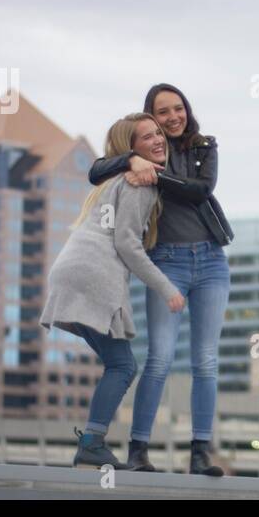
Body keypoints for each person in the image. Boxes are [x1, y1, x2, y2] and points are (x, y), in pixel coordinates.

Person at [88, 83, 231, 476]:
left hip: (211, 262)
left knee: (205, 361)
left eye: (178, 108)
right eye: (162, 112)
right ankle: (138, 452)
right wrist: (131, 161)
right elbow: (94, 170)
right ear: (151, 117)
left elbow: (200, 191)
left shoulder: (203, 146)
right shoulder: (143, 152)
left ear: (187, 110)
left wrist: (151, 175)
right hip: (166, 260)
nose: (172, 117)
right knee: (160, 359)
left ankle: (200, 454)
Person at [41, 113, 185, 469]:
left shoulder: (115, 179)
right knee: (122, 365)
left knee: (117, 363)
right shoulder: (140, 182)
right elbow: (126, 243)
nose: (157, 140)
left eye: (158, 134)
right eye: (146, 137)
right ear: (131, 149)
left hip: (71, 269)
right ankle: (91, 443)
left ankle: (91, 442)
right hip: (95, 271)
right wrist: (167, 288)